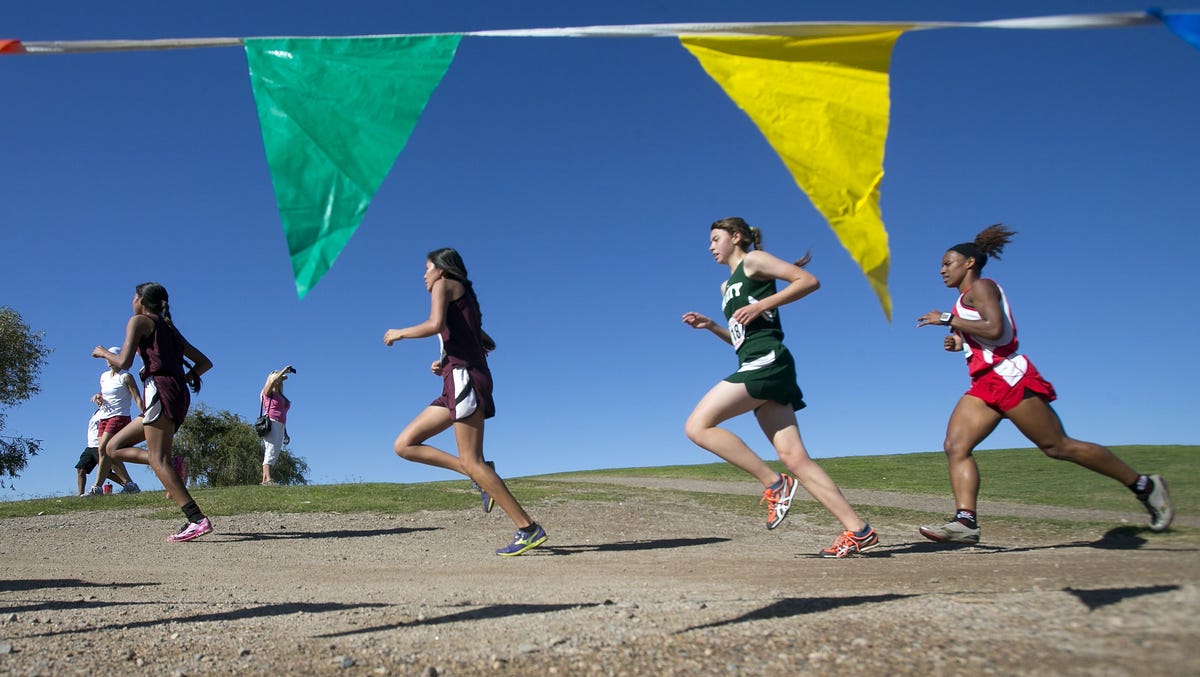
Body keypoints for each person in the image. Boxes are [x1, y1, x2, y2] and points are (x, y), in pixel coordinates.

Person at [916, 224, 1173, 543]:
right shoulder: (964, 301)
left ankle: (1144, 486)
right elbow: (986, 335)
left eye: (947, 262)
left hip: (1010, 378)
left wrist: (946, 320)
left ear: (969, 262)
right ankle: (966, 522)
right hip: (985, 384)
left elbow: (996, 330)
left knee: (1057, 447)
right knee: (956, 446)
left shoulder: (981, 287)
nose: (941, 270)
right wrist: (961, 343)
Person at [682, 217, 878, 559]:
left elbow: (808, 281)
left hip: (768, 361)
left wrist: (762, 303)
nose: (711, 246)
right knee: (795, 457)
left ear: (737, 237)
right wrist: (712, 326)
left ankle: (775, 483)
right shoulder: (725, 288)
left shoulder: (754, 262)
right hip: (758, 361)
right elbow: (743, 340)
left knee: (698, 427)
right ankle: (858, 530)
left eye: (716, 239)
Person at [384, 248, 547, 556]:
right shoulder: (465, 297)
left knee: (473, 460)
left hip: (464, 380)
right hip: (456, 379)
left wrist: (400, 333)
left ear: (442, 270)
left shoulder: (444, 285)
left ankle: (528, 528)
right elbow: (486, 342)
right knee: (405, 444)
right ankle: (479, 475)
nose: (424, 275)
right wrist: (445, 360)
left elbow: (434, 324)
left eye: (427, 268)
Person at [90, 282, 216, 543]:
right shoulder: (170, 329)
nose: (131, 301)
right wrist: (185, 377)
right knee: (113, 448)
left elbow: (124, 362)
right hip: (175, 392)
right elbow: (205, 363)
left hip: (159, 389)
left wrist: (103, 352)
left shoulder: (139, 321)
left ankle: (196, 519)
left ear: (141, 300)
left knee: (159, 460)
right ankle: (175, 468)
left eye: (133, 296)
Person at [84, 346, 145, 495]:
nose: (108, 360)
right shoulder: (104, 376)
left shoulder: (126, 376)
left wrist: (145, 413)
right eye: (106, 358)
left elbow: (136, 397)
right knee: (109, 453)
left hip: (119, 416)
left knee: (103, 449)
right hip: (103, 417)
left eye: (111, 357)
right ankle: (130, 485)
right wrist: (98, 396)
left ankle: (97, 487)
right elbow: (106, 392)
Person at [75, 403, 136, 496]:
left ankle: (130, 486)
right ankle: (80, 494)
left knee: (107, 472)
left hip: (101, 445)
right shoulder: (96, 413)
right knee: (80, 469)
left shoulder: (109, 413)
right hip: (90, 446)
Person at [259, 365, 295, 486]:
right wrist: (284, 370)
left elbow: (283, 414)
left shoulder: (281, 395)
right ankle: (268, 479)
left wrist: (285, 432)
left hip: (280, 424)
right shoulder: (267, 392)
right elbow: (273, 380)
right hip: (271, 422)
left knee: (276, 450)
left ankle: (265, 480)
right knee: (271, 449)